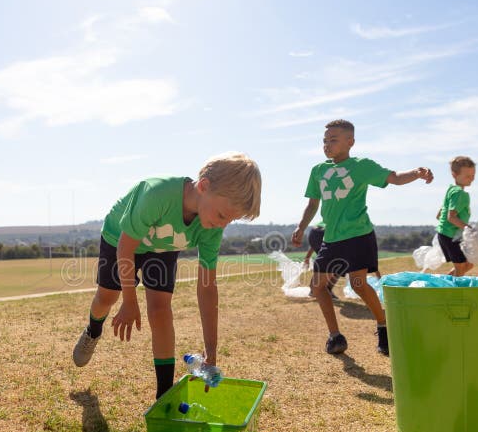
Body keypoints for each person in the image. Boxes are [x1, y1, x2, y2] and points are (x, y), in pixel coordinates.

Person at [72, 152, 262, 399]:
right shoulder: (157, 194)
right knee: (107, 298)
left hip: (163, 246)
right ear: (203, 187)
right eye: (222, 216)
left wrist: (211, 351)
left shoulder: (210, 226)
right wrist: (129, 302)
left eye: (230, 221)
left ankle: (164, 395)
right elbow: (126, 247)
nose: (222, 226)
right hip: (122, 238)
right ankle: (93, 330)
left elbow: (207, 287)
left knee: (161, 311)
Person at [291, 119, 433, 357]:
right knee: (318, 286)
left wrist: (417, 173)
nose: (327, 144)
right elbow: (312, 204)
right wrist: (301, 227)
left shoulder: (362, 166)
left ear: (350, 142)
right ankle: (335, 337)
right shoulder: (318, 171)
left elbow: (395, 177)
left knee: (358, 285)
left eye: (333, 140)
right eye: (325, 140)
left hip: (359, 235)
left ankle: (384, 326)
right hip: (331, 238)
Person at [435, 156, 476, 277]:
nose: (471, 179)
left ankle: (447, 282)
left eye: (473, 175)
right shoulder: (460, 193)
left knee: (469, 263)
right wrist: (469, 229)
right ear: (454, 174)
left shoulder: (451, 190)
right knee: (461, 266)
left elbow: (439, 215)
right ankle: (454, 292)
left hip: (447, 235)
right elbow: (451, 217)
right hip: (450, 236)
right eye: (467, 176)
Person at [303, 223, 339, 300]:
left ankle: (314, 290)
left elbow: (316, 245)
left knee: (326, 262)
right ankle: (324, 290)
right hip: (324, 232)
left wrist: (307, 258)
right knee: (339, 264)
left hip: (313, 232)